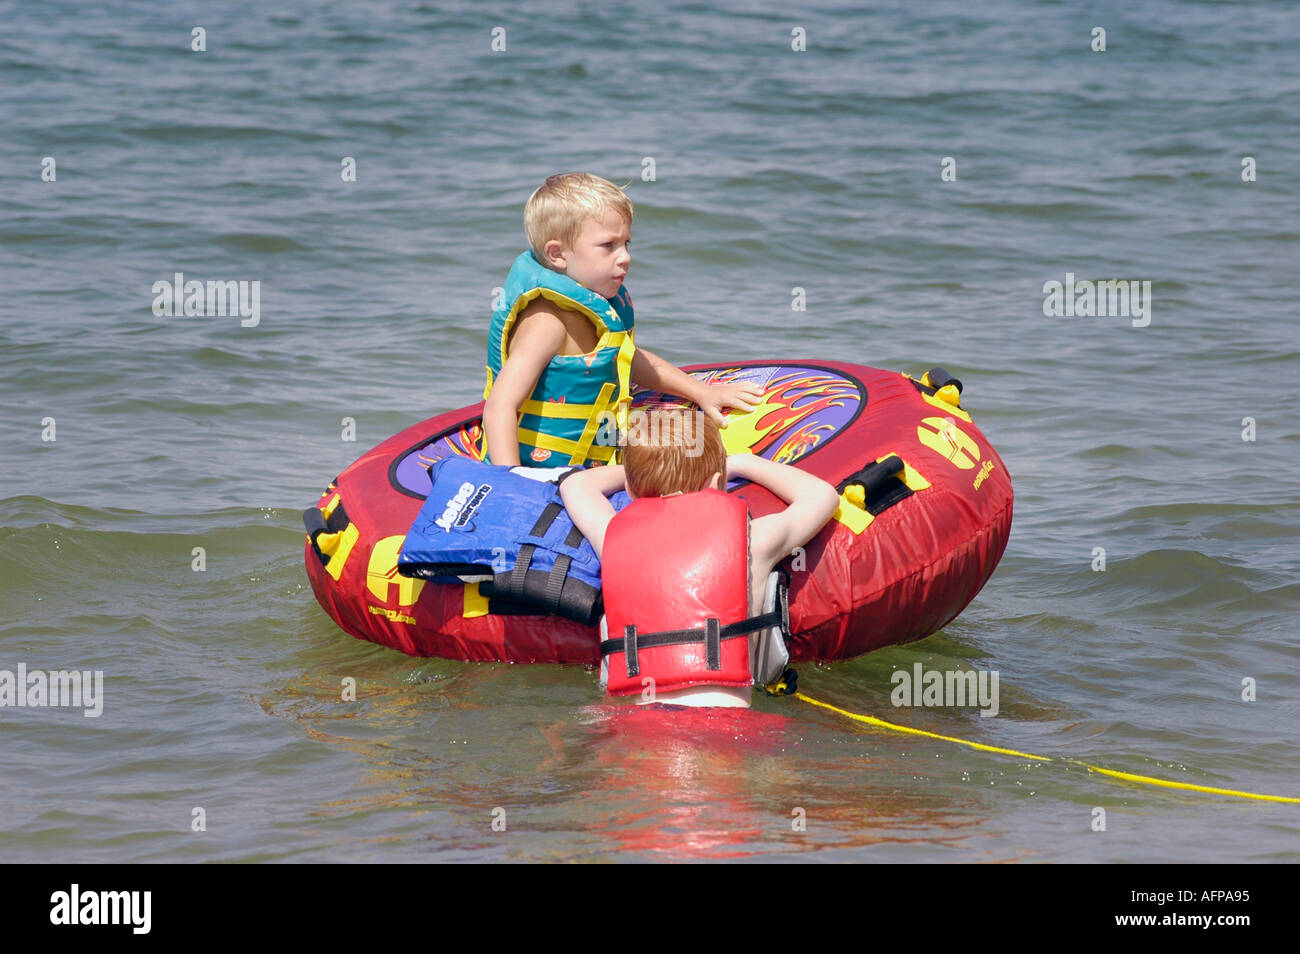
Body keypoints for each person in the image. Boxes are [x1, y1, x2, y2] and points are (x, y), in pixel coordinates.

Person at [559, 408, 841, 707]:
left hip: (634, 726)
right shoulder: (752, 541)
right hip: (724, 725)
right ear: (717, 482)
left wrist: (642, 468)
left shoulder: (611, 536)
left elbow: (575, 484)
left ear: (629, 488)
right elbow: (822, 496)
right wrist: (744, 463)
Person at [481, 172, 762, 467]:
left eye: (627, 243)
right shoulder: (546, 322)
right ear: (557, 254)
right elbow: (500, 406)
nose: (625, 257)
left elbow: (627, 358)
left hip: (597, 457)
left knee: (690, 445)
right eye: (608, 246)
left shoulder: (597, 308)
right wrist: (509, 482)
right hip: (544, 471)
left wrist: (702, 393)